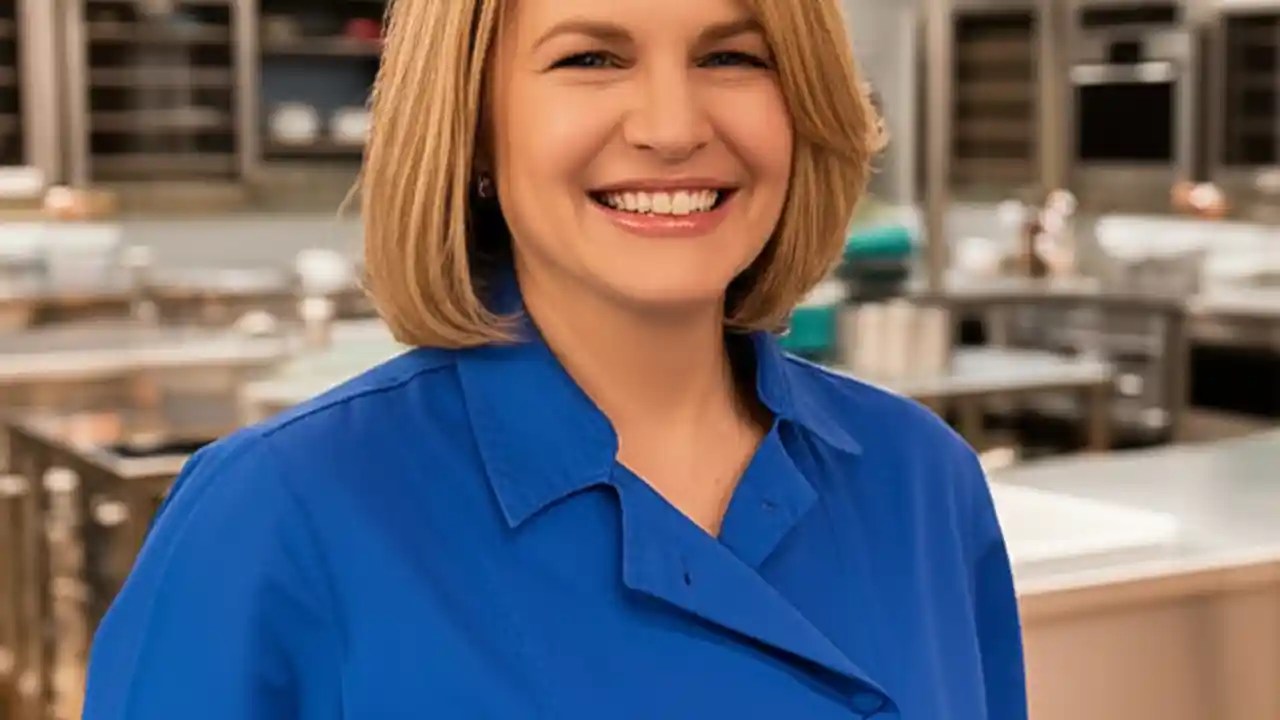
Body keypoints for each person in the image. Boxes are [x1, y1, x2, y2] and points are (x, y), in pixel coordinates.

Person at [83, 0, 1027, 717]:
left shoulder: (921, 480)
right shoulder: (274, 516)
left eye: (732, 56)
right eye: (590, 57)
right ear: (476, 124)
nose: (672, 126)